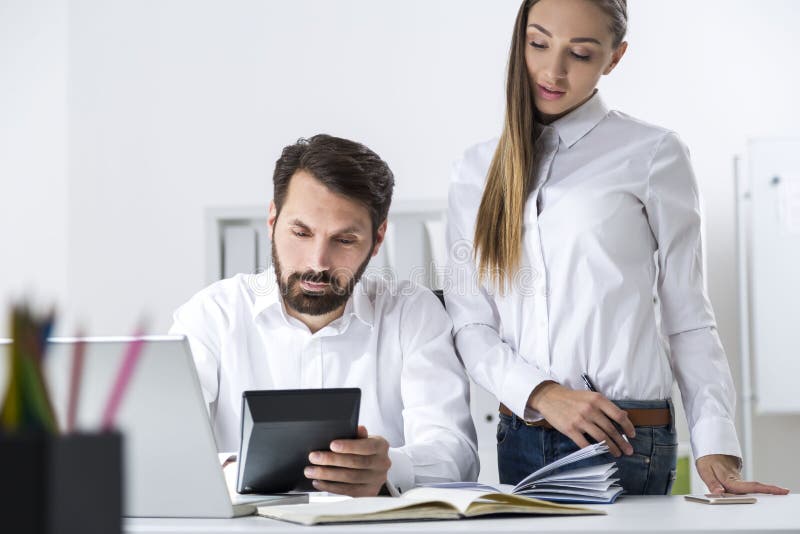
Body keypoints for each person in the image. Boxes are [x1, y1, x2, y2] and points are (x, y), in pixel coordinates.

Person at [444, 0, 788, 495]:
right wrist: (543, 394)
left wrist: (716, 445)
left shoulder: (652, 154)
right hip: (519, 436)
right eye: (538, 44)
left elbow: (688, 315)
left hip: (626, 439)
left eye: (580, 54)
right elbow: (470, 321)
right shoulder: (475, 169)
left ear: (614, 57)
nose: (552, 70)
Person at [170, 134, 478, 497]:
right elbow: (165, 442)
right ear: (272, 220)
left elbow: (456, 455)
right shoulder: (212, 315)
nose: (318, 262)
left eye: (344, 241)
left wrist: (389, 467)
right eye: (300, 233)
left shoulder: (413, 313)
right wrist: (232, 471)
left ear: (378, 239)